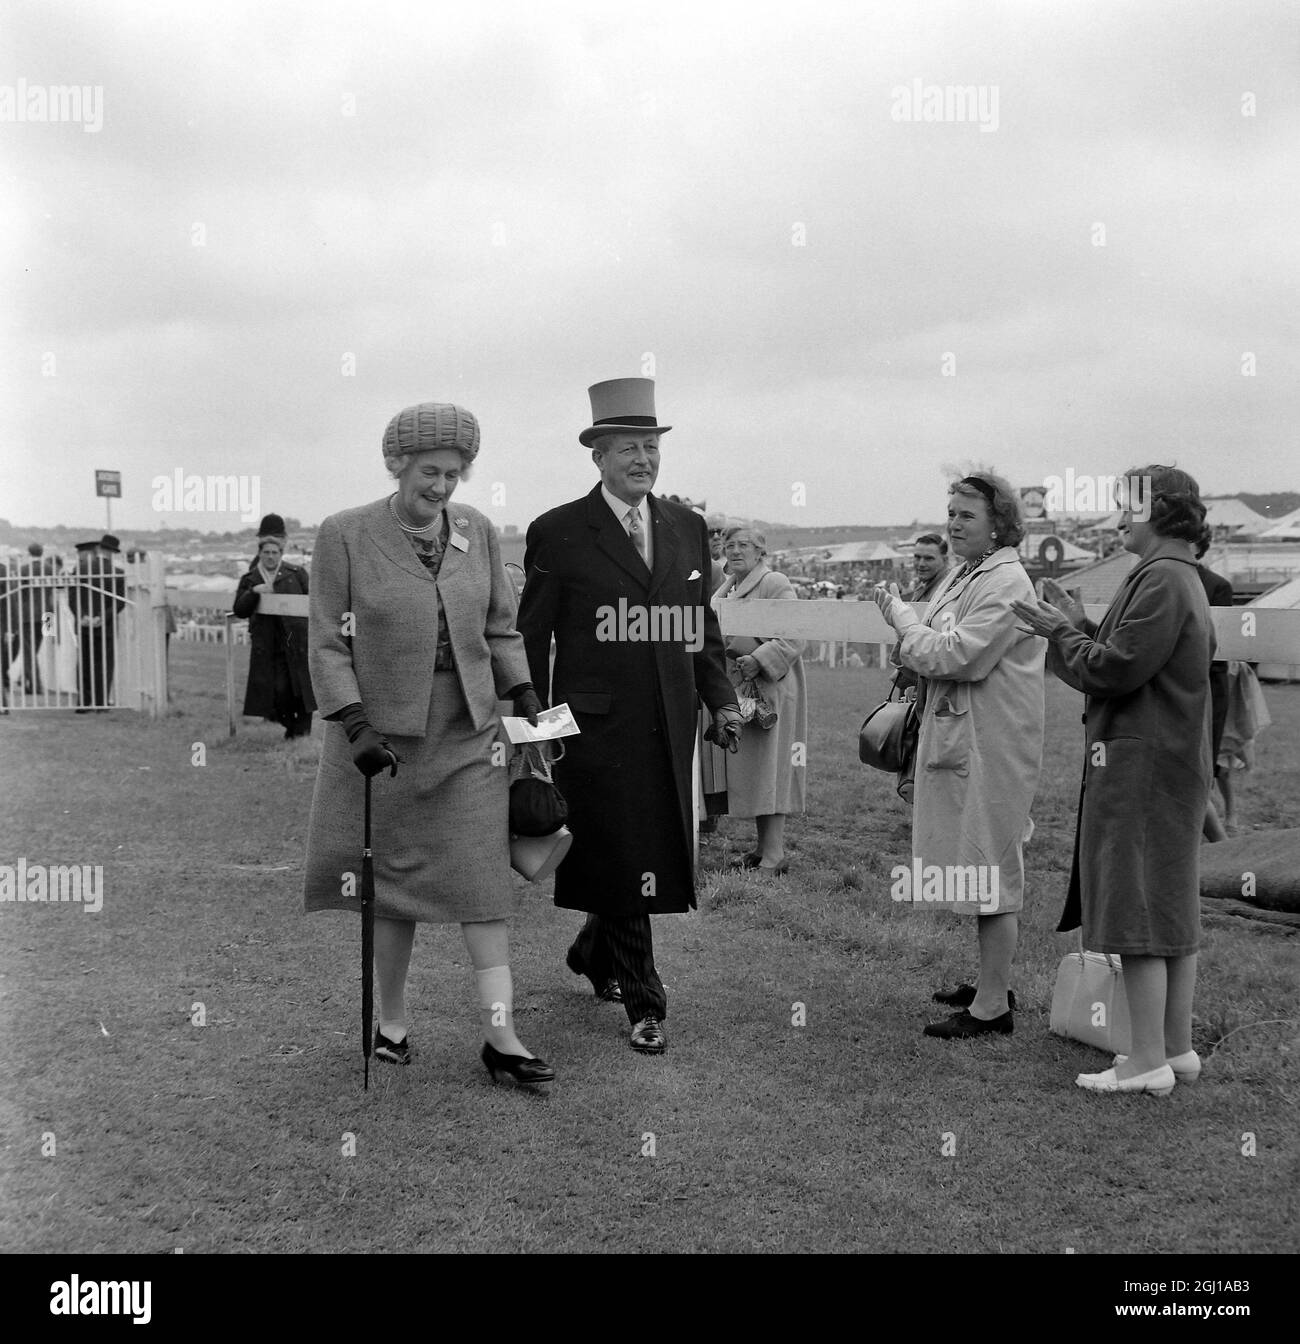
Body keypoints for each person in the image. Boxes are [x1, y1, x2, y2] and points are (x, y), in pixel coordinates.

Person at [303, 403, 551, 1086]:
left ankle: (501, 1037)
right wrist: (354, 724)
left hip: (468, 733)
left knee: (482, 882)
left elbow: (502, 626)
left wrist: (523, 691)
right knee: (392, 888)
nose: (442, 487)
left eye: (454, 474)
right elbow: (327, 640)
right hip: (380, 740)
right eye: (429, 472)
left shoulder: (477, 531)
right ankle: (391, 1025)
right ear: (398, 466)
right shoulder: (345, 535)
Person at [517, 377, 741, 1055]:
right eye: (627, 449)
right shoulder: (557, 532)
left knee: (635, 851)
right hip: (591, 729)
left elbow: (698, 628)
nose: (642, 459)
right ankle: (647, 1003)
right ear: (598, 457)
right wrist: (535, 730)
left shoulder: (687, 527)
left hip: (668, 724)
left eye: (650, 446)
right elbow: (530, 637)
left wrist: (721, 698)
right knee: (622, 849)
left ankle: (593, 951)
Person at [1012, 466, 1213, 1096]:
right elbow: (1136, 657)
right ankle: (1175, 1049)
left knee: (1137, 907)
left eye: (1126, 508)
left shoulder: (1160, 578)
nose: (1116, 520)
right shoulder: (1177, 576)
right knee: (1170, 906)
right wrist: (1083, 625)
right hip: (1169, 763)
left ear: (1160, 514)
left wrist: (1060, 632)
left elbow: (1118, 671)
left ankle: (1143, 1060)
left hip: (1140, 768)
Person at [874, 474, 1044, 1039]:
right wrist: (911, 631)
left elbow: (955, 655)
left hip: (991, 743)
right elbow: (931, 642)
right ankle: (989, 982)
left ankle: (993, 1006)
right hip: (962, 737)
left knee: (991, 864)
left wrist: (902, 622)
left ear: (999, 522)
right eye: (950, 513)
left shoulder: (1007, 582)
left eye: (966, 515)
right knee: (972, 864)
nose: (953, 524)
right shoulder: (967, 575)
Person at [714, 525, 807, 873]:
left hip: (772, 690)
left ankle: (775, 853)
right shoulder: (728, 587)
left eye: (743, 546)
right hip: (741, 689)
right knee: (756, 771)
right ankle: (762, 848)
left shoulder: (774, 582)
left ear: (759, 551)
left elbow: (796, 635)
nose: (735, 551)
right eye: (729, 545)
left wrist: (760, 660)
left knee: (773, 769)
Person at [232, 516, 316, 739]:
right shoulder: (251, 577)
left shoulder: (297, 573)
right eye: (266, 552)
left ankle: (301, 733)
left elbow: (311, 602)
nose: (270, 556)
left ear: (281, 552)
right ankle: (291, 727)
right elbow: (239, 608)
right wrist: (254, 592)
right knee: (277, 691)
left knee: (302, 688)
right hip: (268, 641)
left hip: (296, 639)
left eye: (274, 551)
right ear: (260, 552)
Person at [70, 535, 126, 712]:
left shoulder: (80, 568)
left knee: (84, 662)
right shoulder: (117, 573)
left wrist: (82, 615)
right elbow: (119, 602)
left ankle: (84, 702)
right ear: (112, 552)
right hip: (105, 626)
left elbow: (73, 598)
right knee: (103, 664)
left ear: (98, 549)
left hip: (81, 623)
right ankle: (101, 702)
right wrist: (102, 617)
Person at [894, 534, 952, 695]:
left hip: (932, 683)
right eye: (917, 557)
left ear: (945, 560)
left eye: (929, 558)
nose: (921, 564)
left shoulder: (947, 592)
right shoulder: (922, 588)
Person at [17, 543, 55, 695]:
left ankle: (34, 685)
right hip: (48, 614)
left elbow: (22, 594)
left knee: (28, 651)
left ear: (29, 552)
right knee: (35, 650)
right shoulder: (50, 569)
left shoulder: (24, 570)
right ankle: (27, 680)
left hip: (28, 613)